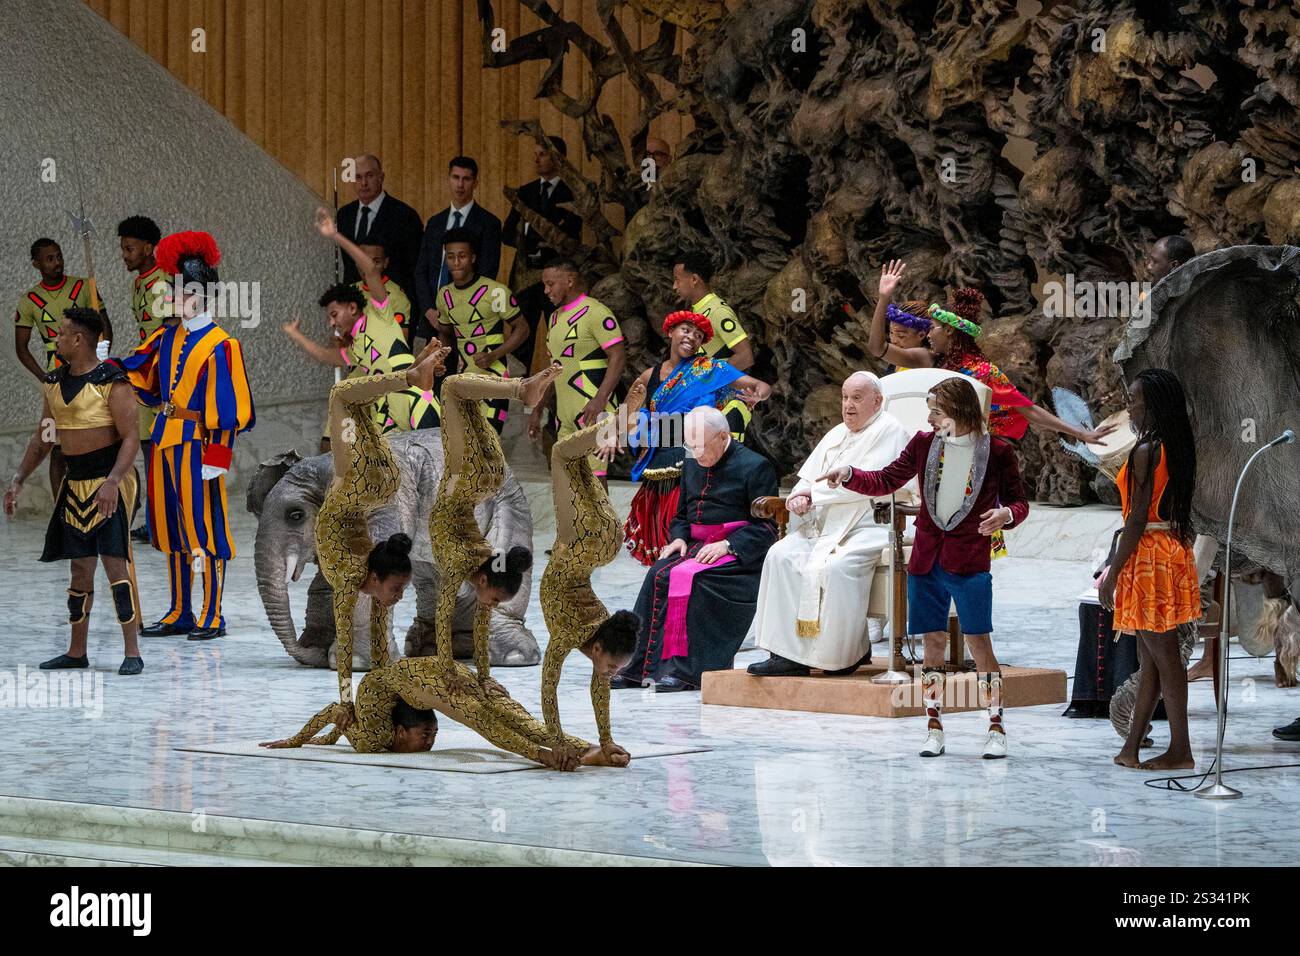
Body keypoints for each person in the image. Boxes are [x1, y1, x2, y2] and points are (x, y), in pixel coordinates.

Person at [819, 377, 1030, 758]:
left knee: (979, 643)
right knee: (931, 643)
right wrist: (849, 475)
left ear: (960, 411)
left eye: (936, 410)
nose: (930, 417)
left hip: (968, 560)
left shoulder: (997, 451)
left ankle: (996, 726)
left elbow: (1019, 503)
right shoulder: (923, 444)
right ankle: (934, 725)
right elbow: (887, 478)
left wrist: (1005, 515)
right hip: (927, 560)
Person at [118, 230, 255, 641]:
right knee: (172, 529)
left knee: (205, 529)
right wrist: (105, 362)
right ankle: (181, 609)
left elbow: (228, 411)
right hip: (164, 440)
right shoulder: (166, 336)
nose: (176, 296)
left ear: (202, 294)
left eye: (183, 290)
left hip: (198, 446)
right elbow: (142, 375)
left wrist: (220, 456)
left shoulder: (221, 344)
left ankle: (212, 614)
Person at [747, 371, 916, 677]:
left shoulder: (889, 430)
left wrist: (813, 494)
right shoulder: (837, 433)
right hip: (825, 526)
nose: (848, 405)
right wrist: (800, 495)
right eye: (844, 397)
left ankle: (844, 656)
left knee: (837, 569)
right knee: (780, 555)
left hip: (869, 524)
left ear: (877, 401)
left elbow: (871, 483)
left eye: (857, 398)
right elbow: (806, 479)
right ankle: (785, 655)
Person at [4, 308, 143, 675]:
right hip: (75, 480)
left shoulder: (113, 380)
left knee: (115, 562)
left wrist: (113, 481)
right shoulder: (53, 382)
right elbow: (44, 439)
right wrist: (18, 478)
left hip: (111, 478)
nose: (56, 339)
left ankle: (132, 650)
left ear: (79, 339)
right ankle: (76, 650)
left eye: (62, 334)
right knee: (80, 569)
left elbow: (131, 438)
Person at [317, 343, 448, 709]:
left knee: (345, 398)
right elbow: (370, 653)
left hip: (359, 489)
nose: (399, 597)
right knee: (349, 401)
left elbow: (347, 656)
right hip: (372, 486)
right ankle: (414, 370)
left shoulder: (351, 583)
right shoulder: (371, 580)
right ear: (376, 580)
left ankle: (412, 374)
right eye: (398, 589)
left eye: (398, 589)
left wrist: (346, 703)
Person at [615, 406, 779, 692]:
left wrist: (728, 545)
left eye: (702, 445)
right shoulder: (691, 463)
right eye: (690, 446)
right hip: (695, 548)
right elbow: (682, 516)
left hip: (738, 556)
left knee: (696, 579)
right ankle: (637, 666)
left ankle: (685, 672)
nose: (697, 453)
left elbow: (767, 528)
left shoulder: (756, 466)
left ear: (723, 436)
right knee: (657, 574)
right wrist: (678, 538)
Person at [864, 260, 1117, 445]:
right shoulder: (930, 360)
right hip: (930, 445)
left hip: (971, 452)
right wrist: (884, 298)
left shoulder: (983, 372)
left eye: (935, 328)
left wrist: (1079, 433)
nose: (930, 333)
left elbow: (1028, 409)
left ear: (951, 332)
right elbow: (877, 348)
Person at [538, 379, 648, 766]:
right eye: (615, 667)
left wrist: (605, 741)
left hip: (601, 542)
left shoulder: (602, 625)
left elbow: (555, 689)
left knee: (569, 458)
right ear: (598, 650)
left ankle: (616, 425)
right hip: (583, 544)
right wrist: (558, 742)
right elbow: (548, 688)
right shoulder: (574, 632)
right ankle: (616, 424)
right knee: (561, 454)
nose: (612, 675)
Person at [430, 365, 563, 682]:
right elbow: (447, 619)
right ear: (485, 582)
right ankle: (521, 389)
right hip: (474, 481)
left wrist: (483, 679)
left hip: (477, 482)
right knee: (453, 390)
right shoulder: (470, 562)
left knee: (455, 391)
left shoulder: (474, 563)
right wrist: (458, 673)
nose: (487, 607)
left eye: (494, 604)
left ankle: (518, 388)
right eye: (493, 600)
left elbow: (445, 620)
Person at [260, 655, 623, 770]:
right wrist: (305, 740)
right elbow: (339, 714)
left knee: (501, 715)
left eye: (431, 736)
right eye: (426, 736)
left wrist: (481, 677)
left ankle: (581, 747)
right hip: (423, 674)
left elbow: (339, 714)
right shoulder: (373, 737)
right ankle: (582, 750)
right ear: (401, 732)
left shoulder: (374, 736)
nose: (430, 745)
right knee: (492, 717)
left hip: (435, 673)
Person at [1100, 369, 1200, 771]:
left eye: (1135, 400)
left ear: (1153, 405)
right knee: (1152, 660)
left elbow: (1137, 518)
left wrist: (1112, 571)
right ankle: (1132, 746)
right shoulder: (1174, 445)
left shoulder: (1146, 450)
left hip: (1148, 558)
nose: (1129, 405)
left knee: (1166, 657)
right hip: (1170, 550)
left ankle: (1181, 749)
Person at [622, 310, 771, 566]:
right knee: (659, 544)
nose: (692, 337)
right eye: (686, 330)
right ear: (670, 331)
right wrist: (625, 430)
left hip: (691, 459)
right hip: (658, 462)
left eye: (699, 335)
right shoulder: (649, 375)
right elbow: (626, 413)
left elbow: (761, 387)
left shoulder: (710, 369)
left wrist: (758, 395)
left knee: (680, 534)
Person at [285, 208, 439, 450]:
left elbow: (368, 267)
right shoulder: (354, 346)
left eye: (334, 315)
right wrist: (296, 335)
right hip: (384, 409)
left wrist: (335, 236)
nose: (332, 322)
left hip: (413, 397)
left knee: (434, 461)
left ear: (353, 307)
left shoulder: (381, 312)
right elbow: (325, 356)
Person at [14, 238, 109, 496]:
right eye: (49, 259)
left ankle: (95, 496)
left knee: (94, 435)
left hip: (88, 370)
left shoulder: (82, 286)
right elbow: (21, 346)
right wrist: (43, 376)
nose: (57, 263)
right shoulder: (29, 300)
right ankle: (60, 506)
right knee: (56, 444)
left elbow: (103, 322)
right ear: (36, 263)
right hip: (56, 375)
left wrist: (102, 353)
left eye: (59, 256)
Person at [527, 259, 626, 485]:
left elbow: (618, 357)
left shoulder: (596, 312)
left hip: (593, 412)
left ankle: (604, 523)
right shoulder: (553, 318)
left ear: (569, 281)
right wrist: (538, 408)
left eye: (550, 284)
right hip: (564, 417)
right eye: (544, 285)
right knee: (570, 483)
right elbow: (555, 369)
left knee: (594, 482)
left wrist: (600, 399)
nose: (546, 290)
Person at [433, 227, 529, 433]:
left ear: (473, 258)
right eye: (450, 256)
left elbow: (522, 329)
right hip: (464, 378)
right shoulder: (444, 295)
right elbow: (445, 331)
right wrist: (438, 358)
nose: (456, 262)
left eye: (462, 256)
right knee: (468, 443)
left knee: (490, 439)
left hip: (495, 379)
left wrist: (494, 355)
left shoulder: (496, 292)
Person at [502, 137, 584, 367]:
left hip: (556, 278)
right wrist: (530, 232)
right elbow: (507, 233)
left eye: (542, 154)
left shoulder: (572, 194)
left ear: (558, 158)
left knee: (559, 335)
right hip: (525, 274)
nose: (535, 159)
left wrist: (541, 232)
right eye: (535, 153)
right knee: (520, 337)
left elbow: (572, 236)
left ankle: (557, 394)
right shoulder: (525, 192)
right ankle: (517, 396)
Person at [117, 215, 173, 543]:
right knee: (149, 447)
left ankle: (167, 525)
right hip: (146, 376)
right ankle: (154, 521)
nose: (124, 254)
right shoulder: (139, 283)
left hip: (161, 377)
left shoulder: (163, 281)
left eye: (129, 248)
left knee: (164, 451)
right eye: (122, 248)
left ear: (148, 248)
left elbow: (170, 330)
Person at [413, 156, 504, 344]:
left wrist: (460, 311)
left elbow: (487, 272)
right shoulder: (435, 222)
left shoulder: (489, 223)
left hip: (469, 316)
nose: (460, 184)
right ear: (448, 179)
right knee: (431, 370)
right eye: (455, 177)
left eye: (466, 179)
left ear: (475, 183)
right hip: (432, 316)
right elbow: (421, 270)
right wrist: (429, 310)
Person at [672, 250, 755, 438]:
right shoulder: (695, 312)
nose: (674, 286)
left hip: (726, 405)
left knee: (724, 460)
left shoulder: (717, 311)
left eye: (677, 279)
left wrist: (709, 380)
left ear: (694, 279)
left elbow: (745, 356)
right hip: (704, 405)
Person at [334, 154, 424, 304]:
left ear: (381, 177)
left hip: (393, 304)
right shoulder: (344, 215)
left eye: (369, 175)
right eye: (358, 177)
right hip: (354, 305)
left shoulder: (405, 215)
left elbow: (415, 267)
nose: (363, 183)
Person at [353, 238, 413, 335]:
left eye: (376, 262)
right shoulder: (349, 292)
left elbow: (400, 343)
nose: (369, 267)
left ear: (385, 263)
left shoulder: (397, 297)